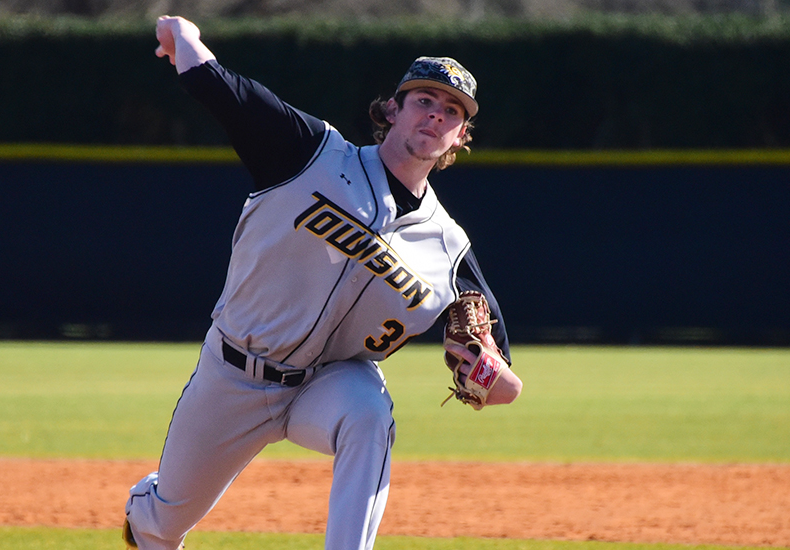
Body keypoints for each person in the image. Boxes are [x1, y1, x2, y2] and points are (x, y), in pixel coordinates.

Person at [123, 15, 523, 550]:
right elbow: (225, 90)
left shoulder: (449, 249)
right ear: (393, 110)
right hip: (234, 373)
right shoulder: (311, 152)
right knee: (160, 528)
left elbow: (501, 379)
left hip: (325, 385)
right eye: (425, 100)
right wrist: (184, 37)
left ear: (459, 137)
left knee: (370, 412)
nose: (437, 114)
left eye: (452, 111)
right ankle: (148, 505)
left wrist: (488, 374)